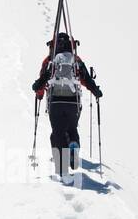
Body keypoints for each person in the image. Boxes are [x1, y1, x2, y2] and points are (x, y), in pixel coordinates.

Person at [32, 32, 102, 176]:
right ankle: (72, 146)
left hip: (55, 101)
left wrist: (39, 95)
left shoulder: (49, 61)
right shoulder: (75, 59)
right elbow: (85, 79)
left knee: (57, 132)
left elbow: (43, 80)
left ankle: (62, 167)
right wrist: (96, 91)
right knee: (71, 128)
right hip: (73, 101)